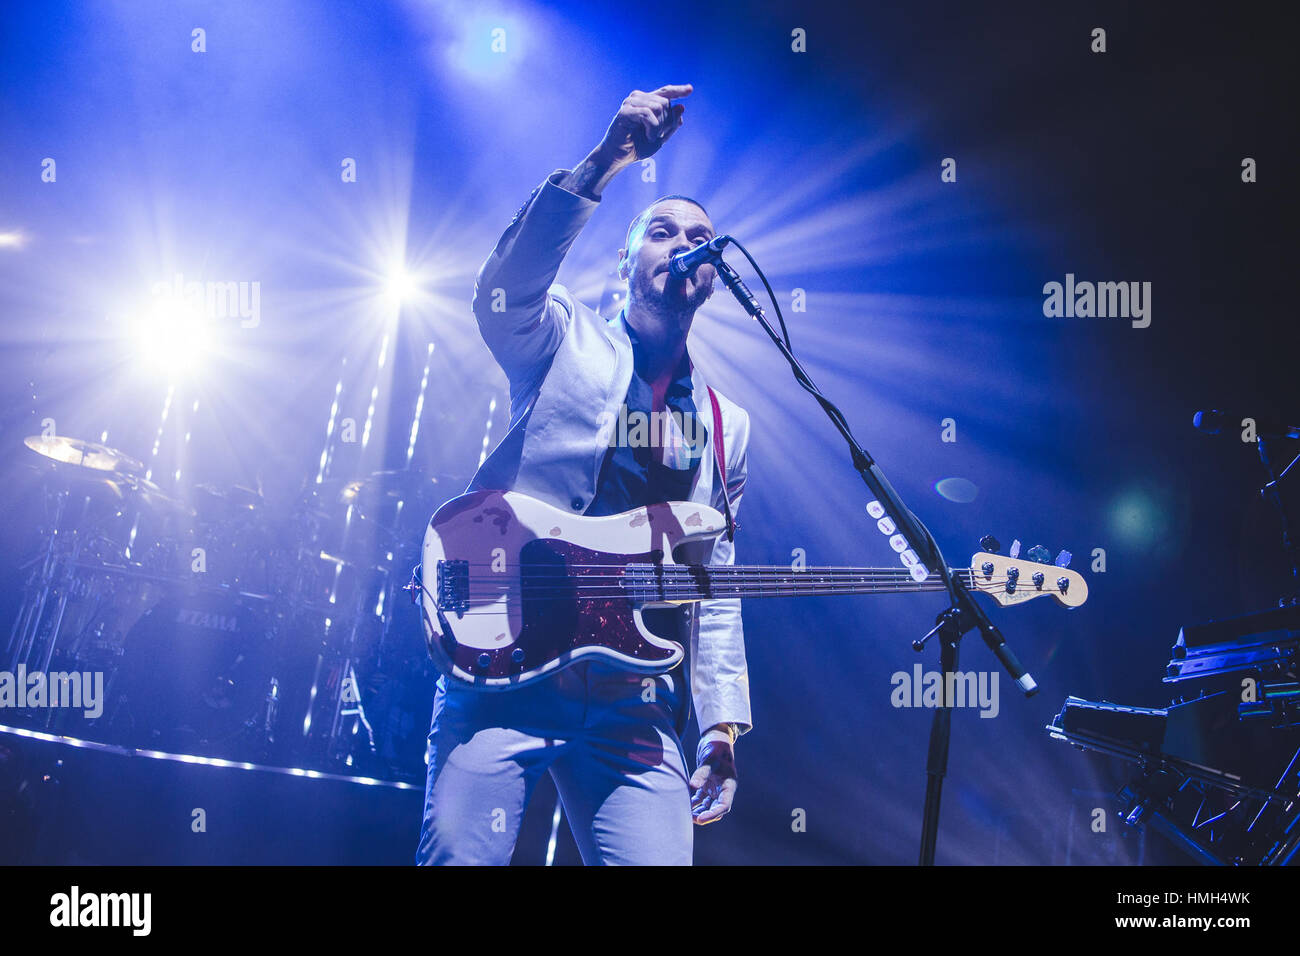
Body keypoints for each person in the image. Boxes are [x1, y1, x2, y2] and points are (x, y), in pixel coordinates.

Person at [416, 84, 752, 865]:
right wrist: (605, 163)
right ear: (627, 257)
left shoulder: (727, 421)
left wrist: (722, 725)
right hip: (503, 669)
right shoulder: (565, 339)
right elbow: (500, 295)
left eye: (700, 236)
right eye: (662, 230)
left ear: (713, 273)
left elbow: (717, 578)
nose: (684, 244)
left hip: (635, 704)